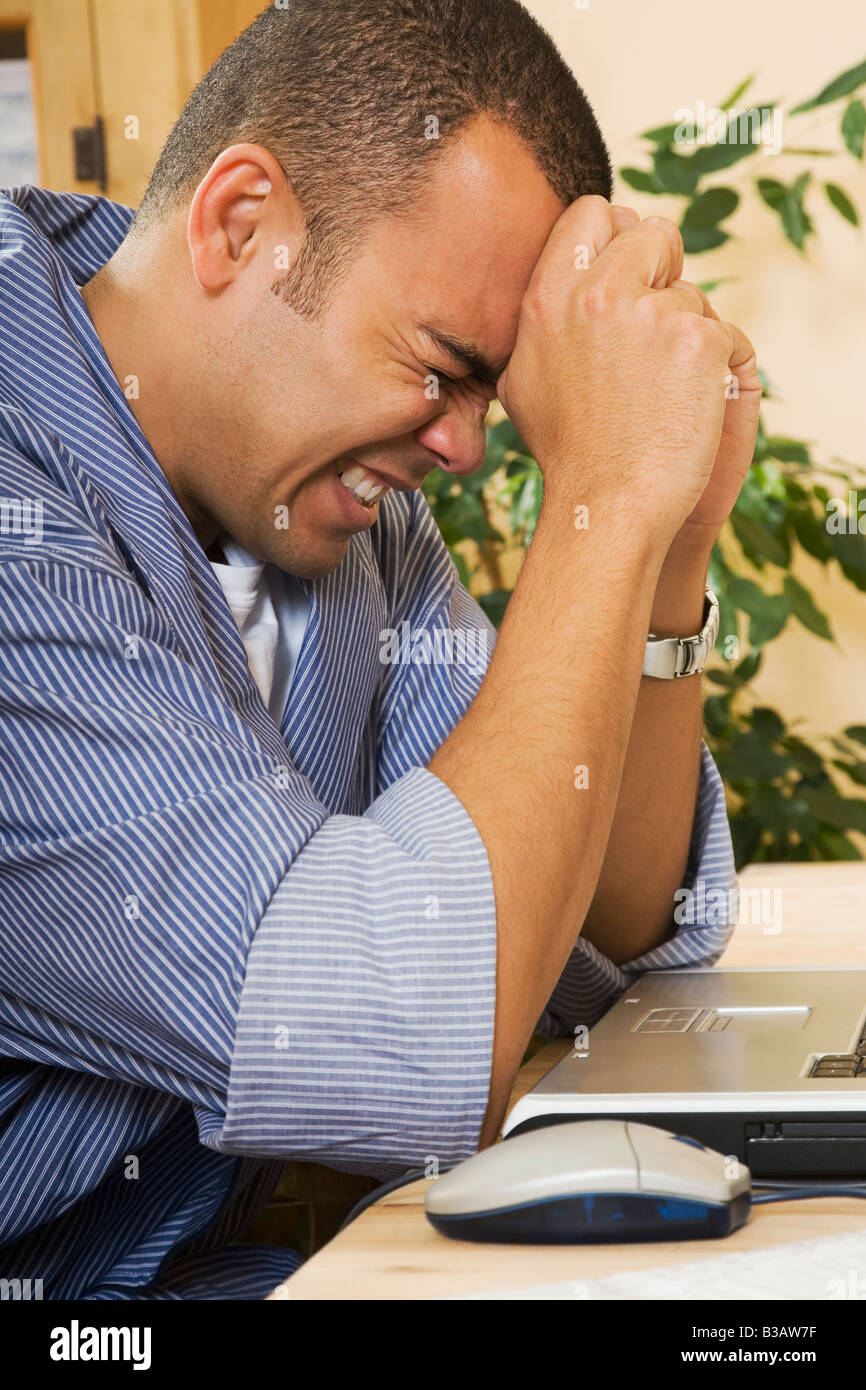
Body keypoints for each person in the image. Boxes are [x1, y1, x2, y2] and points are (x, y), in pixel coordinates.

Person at [0, 0, 758, 1299]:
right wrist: (601, 494)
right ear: (242, 224)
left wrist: (666, 548)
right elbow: (412, 1033)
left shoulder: (339, 506)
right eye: (442, 367)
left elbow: (596, 936)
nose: (463, 448)